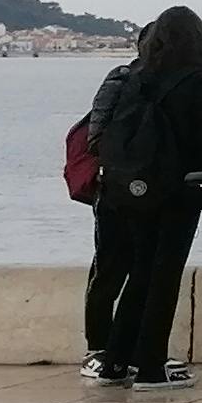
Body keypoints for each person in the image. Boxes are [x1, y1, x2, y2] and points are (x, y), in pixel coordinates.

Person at [86, 6, 202, 388]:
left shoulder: (137, 79)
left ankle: (116, 362)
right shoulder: (201, 85)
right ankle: (152, 367)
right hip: (178, 193)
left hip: (131, 191)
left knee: (140, 272)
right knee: (164, 277)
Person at [77, 54, 138, 373]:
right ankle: (98, 346)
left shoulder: (129, 81)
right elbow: (97, 139)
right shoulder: (122, 80)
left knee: (111, 269)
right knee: (108, 270)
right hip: (116, 190)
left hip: (122, 187)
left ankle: (113, 347)